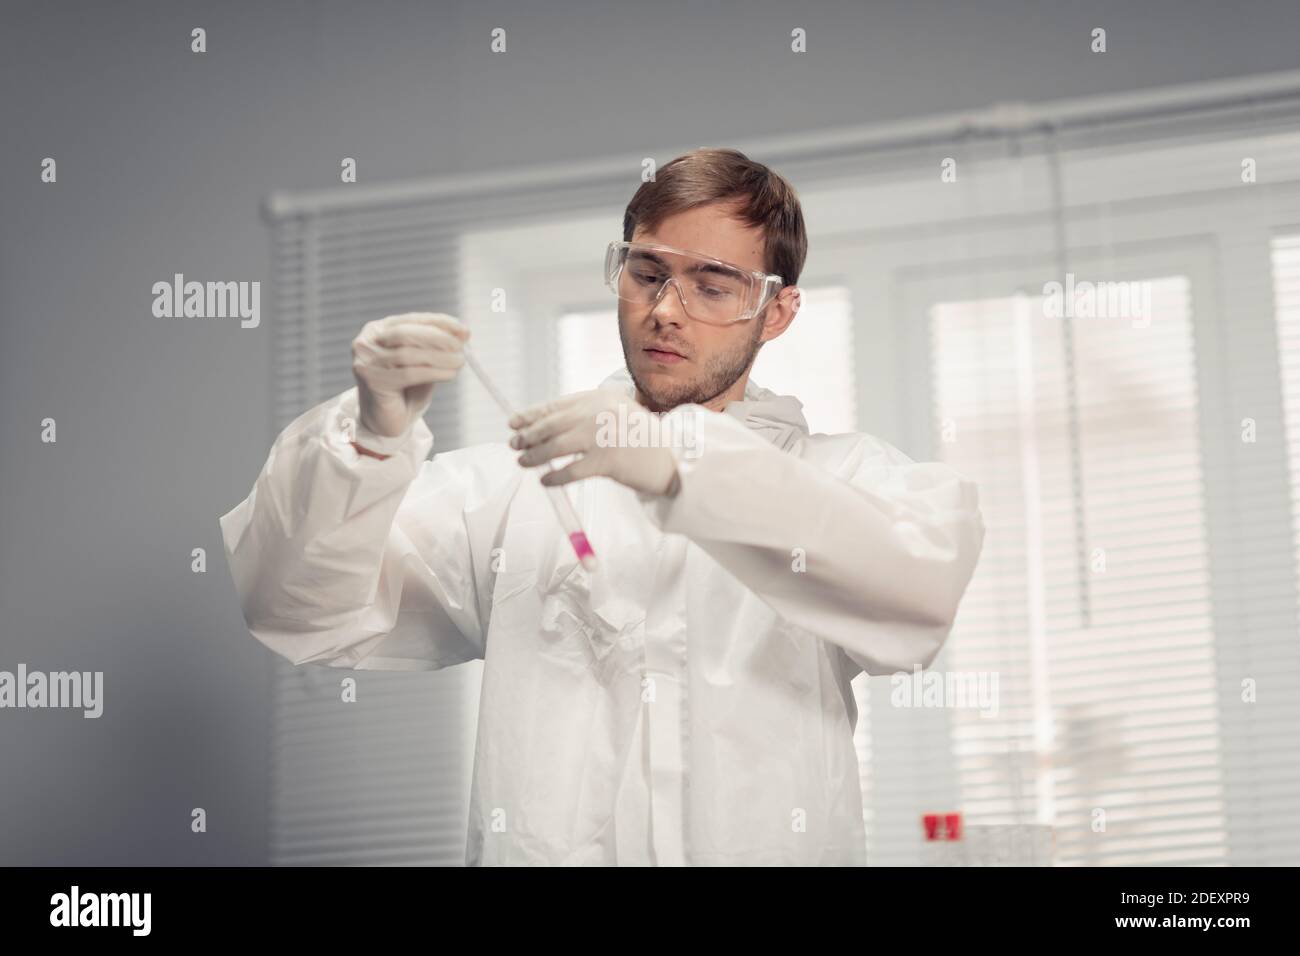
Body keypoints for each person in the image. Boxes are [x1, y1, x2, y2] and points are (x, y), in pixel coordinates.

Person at [219, 147, 986, 866]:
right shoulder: (517, 488)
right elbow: (299, 609)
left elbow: (916, 598)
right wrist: (370, 438)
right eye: (648, 273)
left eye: (713, 285)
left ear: (777, 313)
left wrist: (683, 463)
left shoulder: (842, 479)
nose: (666, 310)